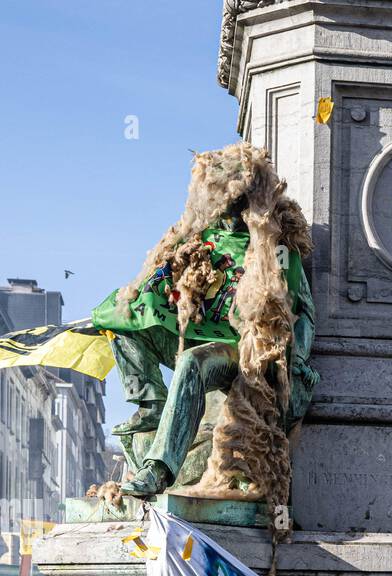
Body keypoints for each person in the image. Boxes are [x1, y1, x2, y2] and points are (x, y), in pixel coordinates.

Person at [91, 143, 319, 499]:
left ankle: (159, 469)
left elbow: (304, 312)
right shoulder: (199, 239)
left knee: (192, 361)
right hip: (197, 334)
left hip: (242, 351)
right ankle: (152, 405)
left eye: (230, 193)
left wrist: (298, 359)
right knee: (121, 318)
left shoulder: (273, 244)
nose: (222, 202)